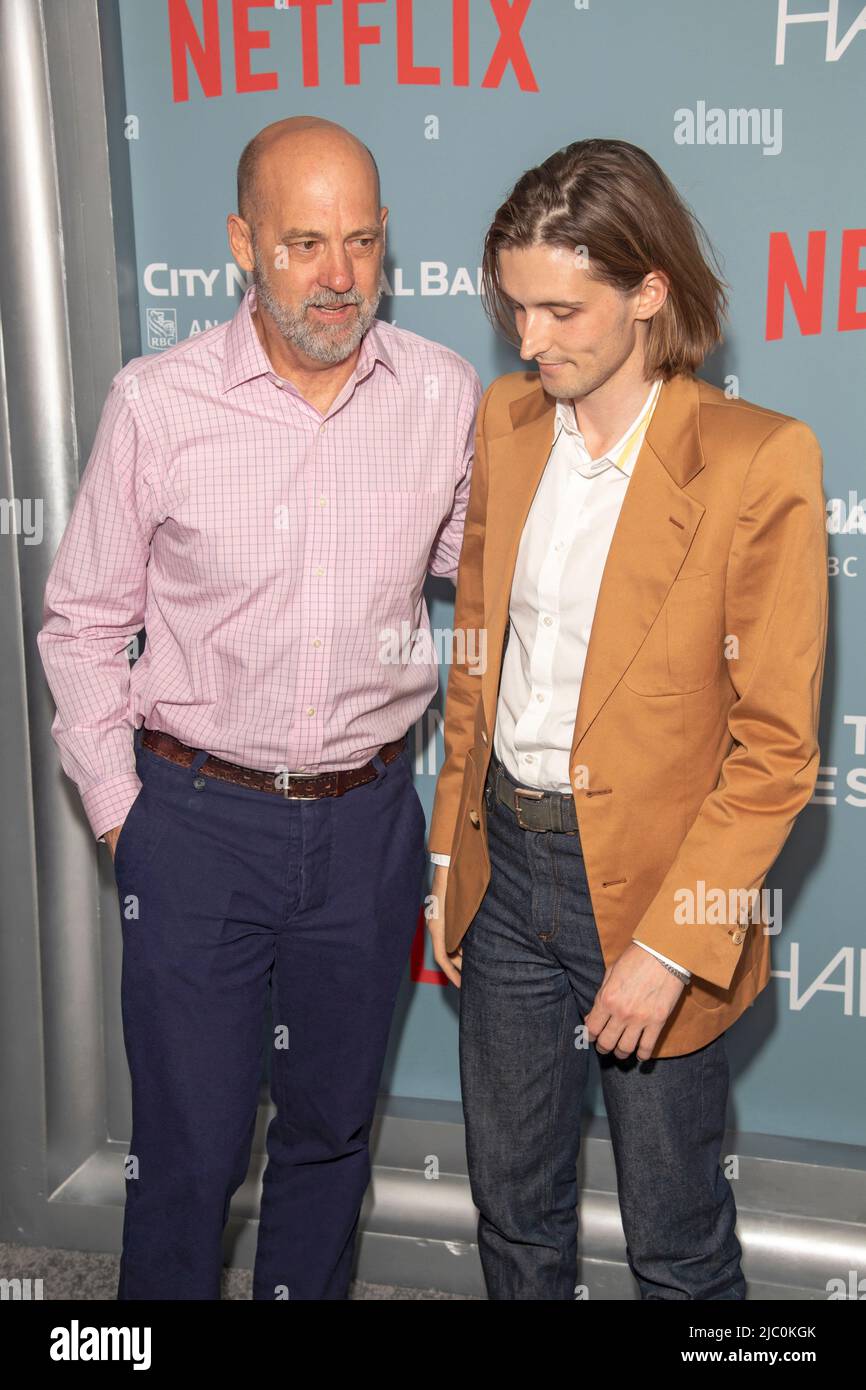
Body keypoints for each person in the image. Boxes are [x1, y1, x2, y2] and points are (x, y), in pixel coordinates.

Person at [37, 115, 481, 1301]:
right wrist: (127, 813)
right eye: (300, 245)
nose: (337, 279)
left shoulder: (442, 396)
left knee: (332, 1138)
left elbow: (484, 579)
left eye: (360, 243)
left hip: (364, 829)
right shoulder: (157, 402)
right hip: (192, 822)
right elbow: (80, 621)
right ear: (242, 242)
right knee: (185, 1154)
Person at [425, 138, 829, 1300]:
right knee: (511, 1213)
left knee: (678, 1241)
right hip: (506, 876)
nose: (528, 339)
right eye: (513, 307)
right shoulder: (507, 422)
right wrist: (451, 849)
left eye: (560, 308)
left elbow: (773, 754)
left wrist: (667, 952)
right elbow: (476, 662)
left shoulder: (758, 462)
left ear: (649, 292)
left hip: (657, 897)